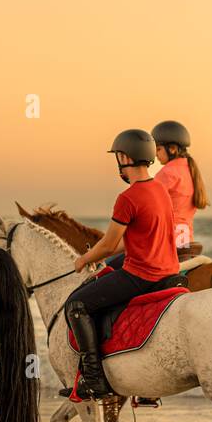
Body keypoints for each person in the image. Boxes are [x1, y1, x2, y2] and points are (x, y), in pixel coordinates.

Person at [65, 129, 183, 399]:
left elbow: (107, 244)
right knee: (108, 270)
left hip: (142, 275)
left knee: (77, 304)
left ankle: (94, 378)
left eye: (118, 157)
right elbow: (130, 240)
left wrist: (83, 259)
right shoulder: (160, 190)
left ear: (124, 157)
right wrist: (103, 256)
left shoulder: (128, 198)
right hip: (168, 269)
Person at [102, 119, 209, 269]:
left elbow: (146, 206)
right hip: (186, 242)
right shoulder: (190, 171)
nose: (156, 155)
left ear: (172, 149)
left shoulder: (168, 173)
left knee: (107, 265)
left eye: (158, 149)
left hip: (165, 242)